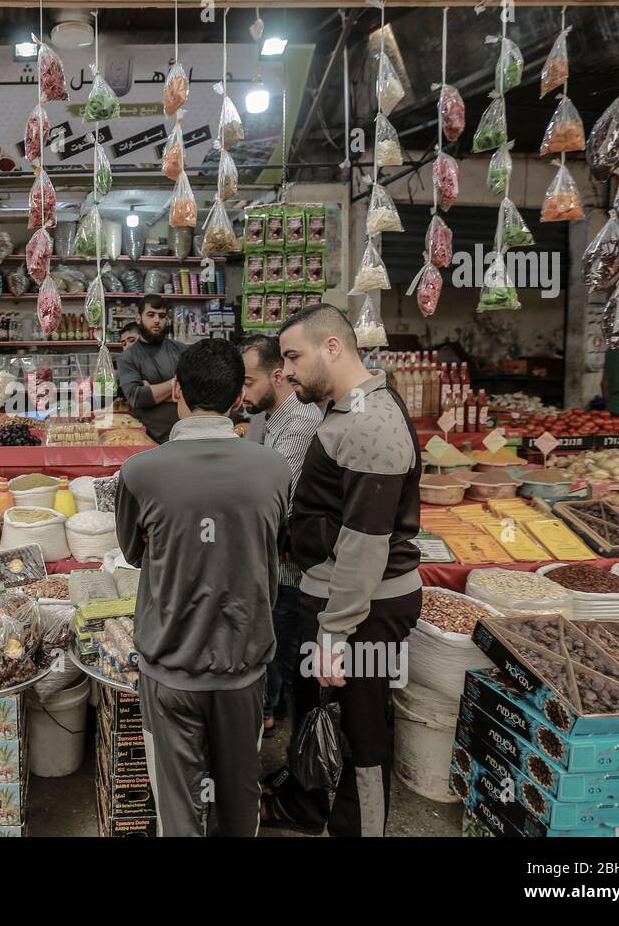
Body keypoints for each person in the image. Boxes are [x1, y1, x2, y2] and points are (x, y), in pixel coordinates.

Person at [115, 338, 292, 837]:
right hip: (244, 667)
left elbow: (134, 552)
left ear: (176, 393)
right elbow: (271, 546)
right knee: (239, 803)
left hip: (170, 669)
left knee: (179, 808)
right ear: (239, 397)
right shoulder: (273, 469)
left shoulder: (140, 472)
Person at [262, 303, 421, 838]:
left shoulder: (375, 421)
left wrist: (335, 630)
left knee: (363, 733)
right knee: (317, 711)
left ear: (332, 347)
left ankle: (360, 828)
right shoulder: (344, 408)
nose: (285, 371)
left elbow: (365, 543)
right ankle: (309, 808)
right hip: (332, 598)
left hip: (363, 610)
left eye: (292, 357)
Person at [239, 334, 324, 733]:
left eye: (248, 381)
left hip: (287, 563)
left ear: (276, 377)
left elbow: (276, 500)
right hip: (270, 557)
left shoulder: (300, 422)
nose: (242, 392)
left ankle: (270, 711)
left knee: (277, 631)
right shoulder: (266, 417)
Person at [117, 294, 187, 443]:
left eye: (161, 316)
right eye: (151, 315)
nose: (157, 320)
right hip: (147, 440)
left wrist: (154, 391)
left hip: (184, 435)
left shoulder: (181, 350)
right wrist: (179, 382)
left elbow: (196, 392)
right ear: (138, 318)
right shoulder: (127, 357)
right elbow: (137, 397)